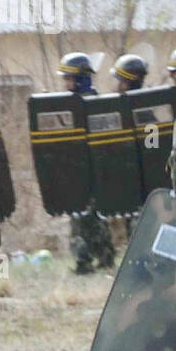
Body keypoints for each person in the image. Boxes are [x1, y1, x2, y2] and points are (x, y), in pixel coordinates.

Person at [59, 52, 116, 274]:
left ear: (81, 78)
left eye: (70, 78)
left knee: (87, 217)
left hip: (93, 168)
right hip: (76, 169)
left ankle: (87, 261)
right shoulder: (67, 103)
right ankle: (102, 257)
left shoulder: (95, 103)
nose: (66, 83)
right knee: (84, 217)